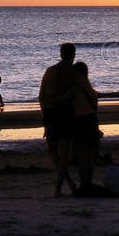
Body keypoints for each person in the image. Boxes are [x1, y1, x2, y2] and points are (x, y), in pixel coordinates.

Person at [39, 43, 79, 196]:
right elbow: (75, 97)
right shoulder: (74, 74)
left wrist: (45, 115)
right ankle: (65, 184)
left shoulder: (51, 71)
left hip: (52, 114)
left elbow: (42, 96)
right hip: (65, 115)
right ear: (72, 55)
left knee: (56, 153)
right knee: (61, 153)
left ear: (61, 54)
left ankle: (62, 185)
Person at [72, 61, 101, 190]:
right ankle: (88, 182)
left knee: (82, 155)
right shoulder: (91, 91)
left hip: (81, 122)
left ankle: (84, 184)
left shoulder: (75, 89)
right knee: (90, 156)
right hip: (92, 122)